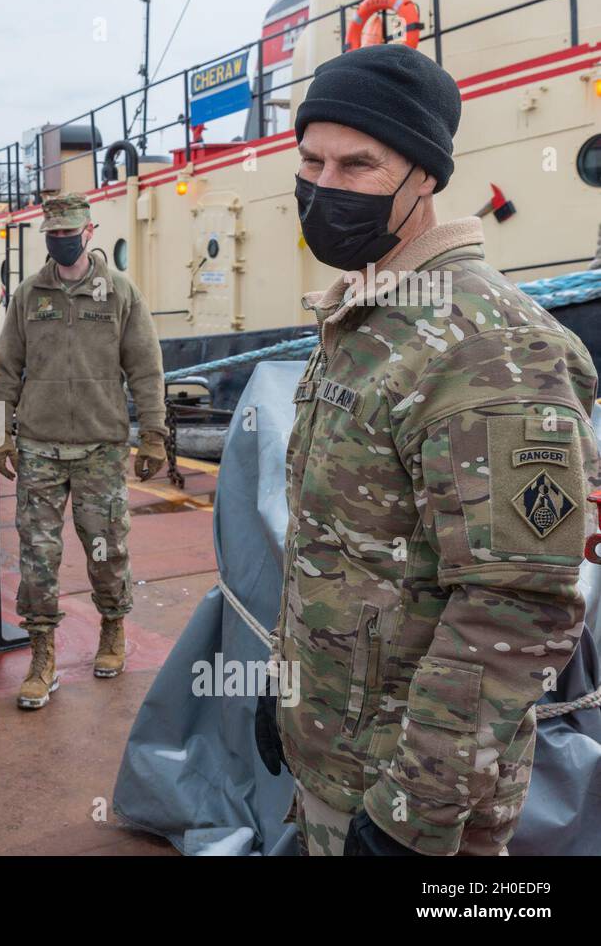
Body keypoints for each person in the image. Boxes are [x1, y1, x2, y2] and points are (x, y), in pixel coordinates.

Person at [255, 42, 601, 855]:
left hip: (413, 805)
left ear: (424, 180)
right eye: (311, 161)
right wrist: (286, 692)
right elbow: (337, 550)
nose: (323, 187)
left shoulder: (488, 350)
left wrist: (410, 815)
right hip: (334, 766)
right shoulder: (367, 317)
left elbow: (518, 606)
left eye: (358, 165)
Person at [0, 193, 167, 709]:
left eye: (69, 233)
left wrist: (152, 433)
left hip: (101, 449)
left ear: (89, 232)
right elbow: (4, 373)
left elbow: (145, 368)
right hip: (40, 448)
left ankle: (113, 629)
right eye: (52, 234)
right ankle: (42, 655)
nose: (61, 241)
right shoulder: (28, 296)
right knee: (38, 556)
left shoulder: (119, 294)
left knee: (105, 549)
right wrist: (0, 435)